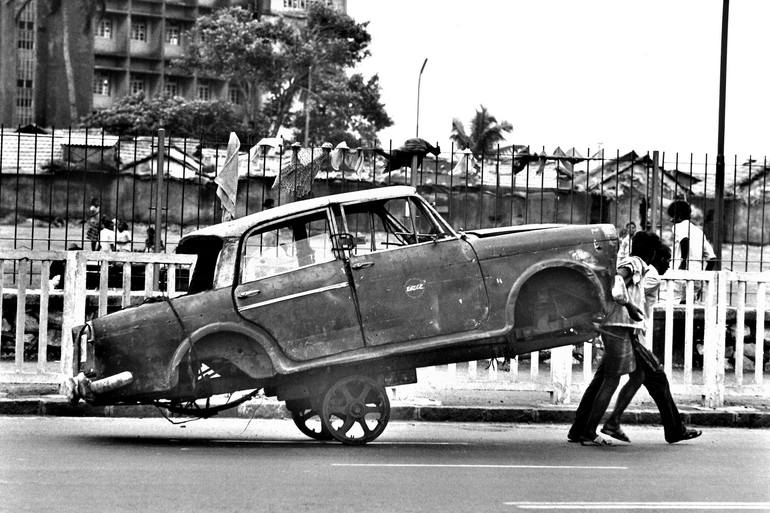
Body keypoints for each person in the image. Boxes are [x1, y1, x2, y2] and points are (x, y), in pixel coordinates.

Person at [601, 232, 702, 444]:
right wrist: (629, 305)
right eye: (665, 259)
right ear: (654, 254)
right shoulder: (646, 271)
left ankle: (601, 423)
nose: (667, 265)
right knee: (654, 377)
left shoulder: (645, 270)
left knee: (627, 378)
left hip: (628, 329)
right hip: (628, 331)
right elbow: (621, 285)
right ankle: (673, 429)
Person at [568, 246, 647, 446]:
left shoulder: (635, 264)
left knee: (609, 378)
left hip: (618, 327)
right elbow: (617, 281)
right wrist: (629, 306)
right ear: (653, 254)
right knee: (611, 381)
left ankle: (582, 428)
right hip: (617, 327)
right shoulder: (635, 262)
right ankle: (588, 431)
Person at [668, 200, 716, 303]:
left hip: (680, 274)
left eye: (672, 217)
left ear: (679, 216)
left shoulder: (677, 226)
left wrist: (683, 262)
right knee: (689, 308)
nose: (671, 220)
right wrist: (703, 278)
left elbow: (685, 240)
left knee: (674, 306)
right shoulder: (699, 232)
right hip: (696, 276)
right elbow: (712, 259)